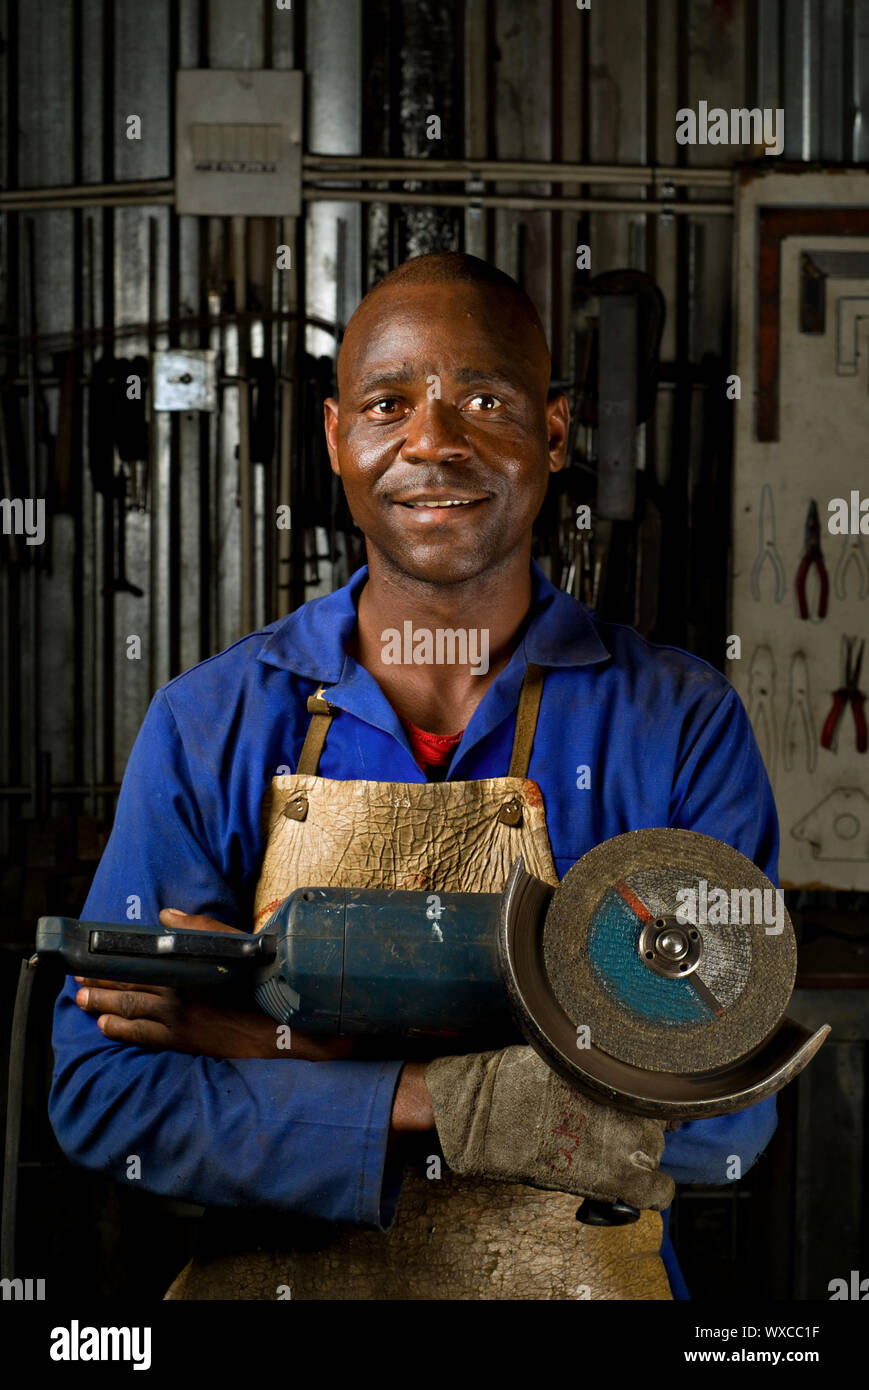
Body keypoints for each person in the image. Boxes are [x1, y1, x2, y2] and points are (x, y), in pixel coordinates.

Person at [49, 252, 778, 1300]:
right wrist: (473, 1095)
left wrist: (274, 1035)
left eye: (483, 398)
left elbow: (720, 1115)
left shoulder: (678, 722)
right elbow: (106, 1096)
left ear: (556, 432)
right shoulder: (209, 721)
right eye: (389, 402)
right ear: (338, 437)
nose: (433, 441)